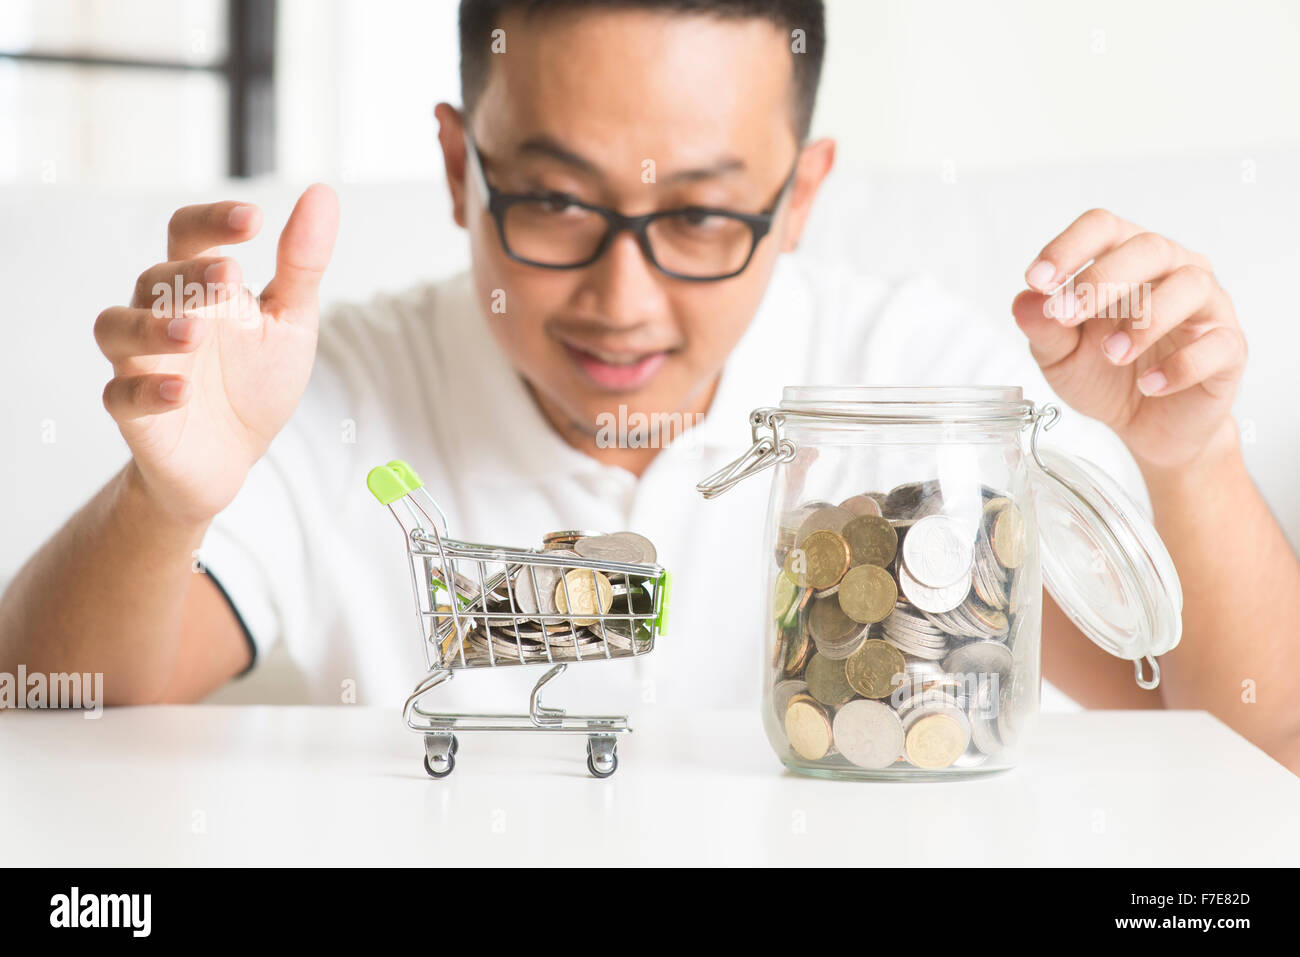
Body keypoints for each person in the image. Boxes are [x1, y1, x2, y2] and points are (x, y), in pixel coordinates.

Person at [2, 0, 1298, 772]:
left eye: (698, 217)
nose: (623, 302)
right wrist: (163, 503)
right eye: (556, 201)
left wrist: (1194, 460)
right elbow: (33, 718)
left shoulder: (917, 387)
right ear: (458, 168)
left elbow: (1253, 744)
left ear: (801, 196)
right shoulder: (324, 391)